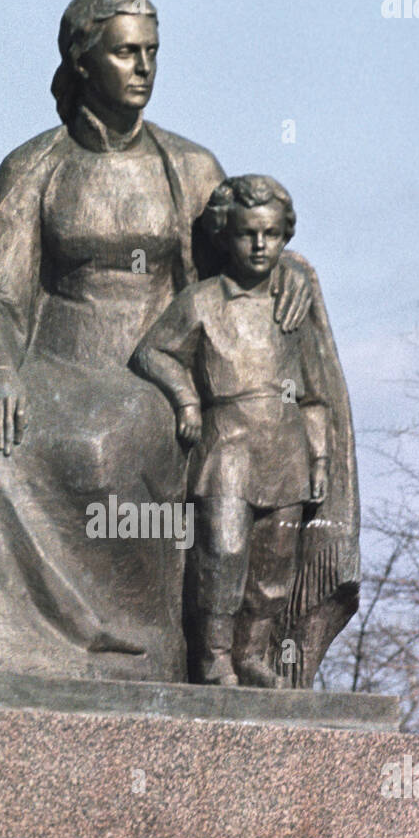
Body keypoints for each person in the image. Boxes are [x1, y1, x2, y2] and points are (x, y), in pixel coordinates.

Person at [0, 0, 350, 685]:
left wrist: (291, 272)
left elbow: (239, 267)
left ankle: (135, 646)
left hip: (154, 376)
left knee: (105, 436)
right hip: (51, 369)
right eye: (126, 52)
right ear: (83, 61)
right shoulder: (36, 167)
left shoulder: (190, 167)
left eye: (152, 53)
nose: (144, 68)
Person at [133, 175, 333, 686]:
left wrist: (320, 459)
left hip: (284, 444)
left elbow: (312, 394)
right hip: (228, 443)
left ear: (285, 236)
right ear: (227, 235)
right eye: (248, 233)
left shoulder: (291, 308)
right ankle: (214, 655)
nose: (260, 245)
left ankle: (252, 653)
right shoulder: (202, 302)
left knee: (275, 564)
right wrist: (186, 396)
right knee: (222, 553)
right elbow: (153, 352)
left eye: (271, 234)